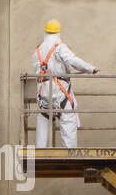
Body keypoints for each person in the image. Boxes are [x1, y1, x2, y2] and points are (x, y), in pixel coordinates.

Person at [33, 20, 98, 150]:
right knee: (68, 119)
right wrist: (90, 69)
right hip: (59, 91)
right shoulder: (58, 46)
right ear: (58, 32)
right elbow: (72, 60)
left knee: (44, 117)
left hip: (44, 92)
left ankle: (40, 150)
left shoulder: (38, 50)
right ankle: (70, 153)